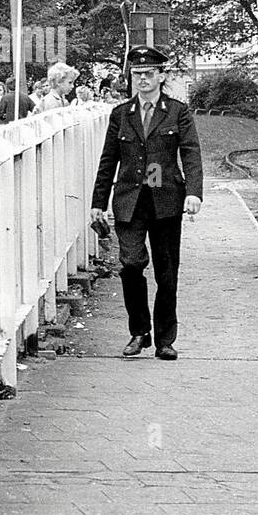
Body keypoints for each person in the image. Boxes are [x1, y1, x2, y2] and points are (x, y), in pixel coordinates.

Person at [90, 45, 203, 360]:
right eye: (137, 74)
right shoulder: (120, 115)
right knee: (130, 265)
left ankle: (165, 339)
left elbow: (191, 153)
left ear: (160, 76)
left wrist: (194, 192)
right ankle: (139, 332)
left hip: (166, 201)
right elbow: (108, 160)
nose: (142, 79)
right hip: (129, 201)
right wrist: (98, 202)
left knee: (167, 273)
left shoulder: (178, 112)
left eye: (148, 74)